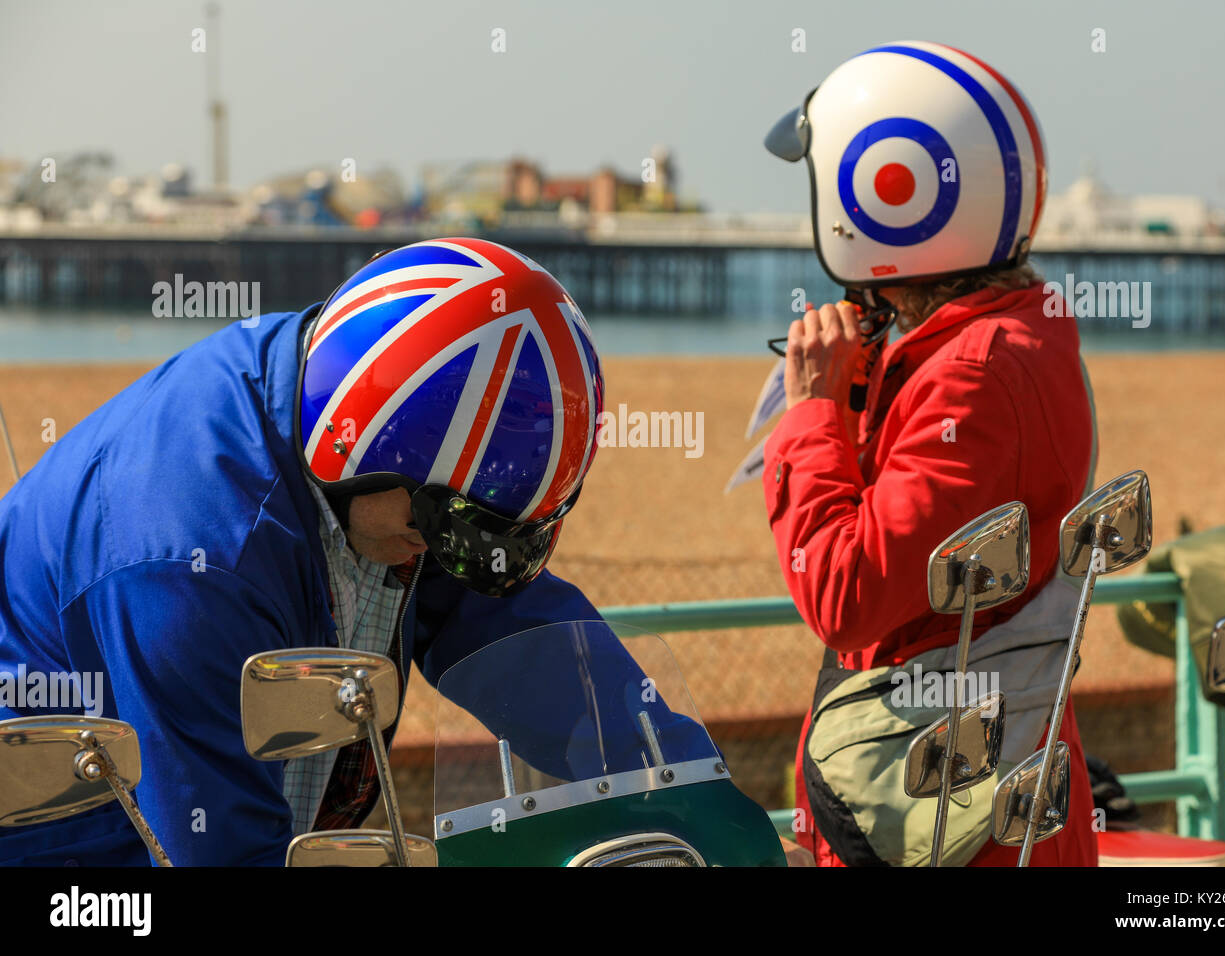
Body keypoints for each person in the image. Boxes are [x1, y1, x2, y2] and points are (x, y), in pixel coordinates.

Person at [0, 237, 615, 865]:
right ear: (353, 448)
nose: (443, 553)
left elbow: (509, 629)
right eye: (443, 526)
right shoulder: (190, 568)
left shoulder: (370, 398)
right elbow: (222, 847)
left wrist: (673, 774)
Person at [762, 42, 1099, 866]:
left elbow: (847, 594)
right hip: (986, 778)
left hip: (948, 816)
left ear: (877, 198)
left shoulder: (972, 378)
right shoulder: (1019, 335)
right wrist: (862, 385)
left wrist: (809, 416)